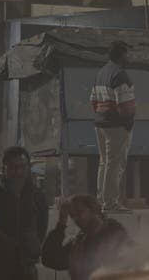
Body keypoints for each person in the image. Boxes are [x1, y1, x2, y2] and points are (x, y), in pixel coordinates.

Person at [90, 41, 136, 212]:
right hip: (117, 126)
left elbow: (93, 101)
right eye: (128, 53)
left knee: (104, 163)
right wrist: (128, 124)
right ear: (122, 55)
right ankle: (110, 203)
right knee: (114, 164)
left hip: (101, 124)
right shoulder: (120, 75)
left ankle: (101, 200)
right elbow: (125, 106)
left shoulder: (101, 73)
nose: (130, 57)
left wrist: (102, 114)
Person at [0, 146, 48, 280]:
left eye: (22, 166)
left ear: (28, 168)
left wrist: (33, 246)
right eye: (13, 167)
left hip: (28, 265)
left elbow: (41, 226)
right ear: (4, 168)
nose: (18, 171)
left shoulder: (37, 195)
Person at [42, 195, 130, 280]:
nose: (76, 218)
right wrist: (61, 223)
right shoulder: (79, 243)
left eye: (80, 212)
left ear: (94, 210)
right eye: (72, 215)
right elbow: (50, 259)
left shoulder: (116, 234)